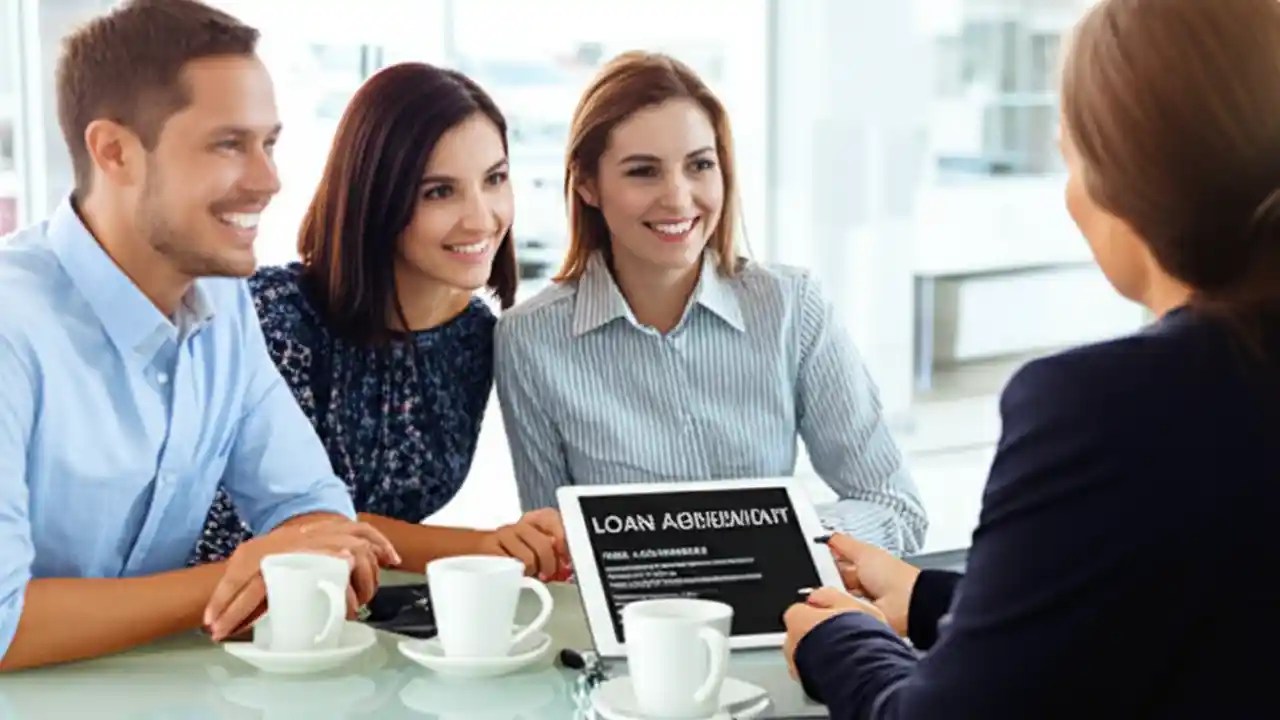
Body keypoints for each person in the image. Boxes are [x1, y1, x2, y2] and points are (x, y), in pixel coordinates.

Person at [782, 0, 1280, 716]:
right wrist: (927, 598)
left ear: (1122, 177)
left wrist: (843, 644)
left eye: (1070, 153)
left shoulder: (1108, 408)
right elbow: (1209, 606)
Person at [0, 0, 398, 671]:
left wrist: (298, 552)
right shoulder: (13, 326)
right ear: (115, 151)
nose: (269, 180)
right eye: (228, 144)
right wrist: (239, 576)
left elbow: (313, 510)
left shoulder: (222, 304)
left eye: (268, 143)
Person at [494, 51, 927, 555]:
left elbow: (896, 508)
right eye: (643, 172)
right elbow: (558, 553)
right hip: (637, 628)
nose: (679, 199)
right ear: (588, 184)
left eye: (700, 165)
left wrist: (772, 538)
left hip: (787, 620)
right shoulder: (528, 339)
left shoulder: (792, 308)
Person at [193, 62, 568, 581]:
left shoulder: (474, 335)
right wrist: (481, 545)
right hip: (215, 626)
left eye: (495, 179)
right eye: (439, 191)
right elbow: (289, 530)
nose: (481, 217)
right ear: (377, 196)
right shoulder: (275, 317)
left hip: (361, 622)